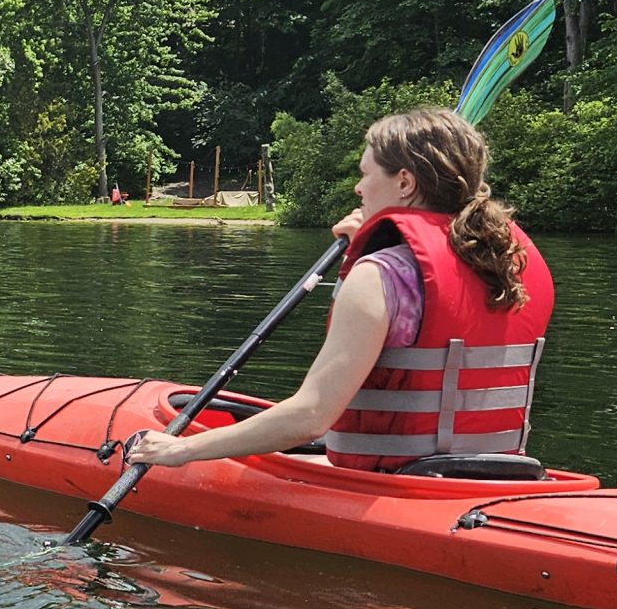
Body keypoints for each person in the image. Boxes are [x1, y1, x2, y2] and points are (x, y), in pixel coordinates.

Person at [126, 107, 553, 473]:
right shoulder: (510, 265)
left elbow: (312, 417)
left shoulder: (380, 274)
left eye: (365, 174)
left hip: (394, 483)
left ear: (404, 183)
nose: (358, 187)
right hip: (498, 474)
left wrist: (180, 450)